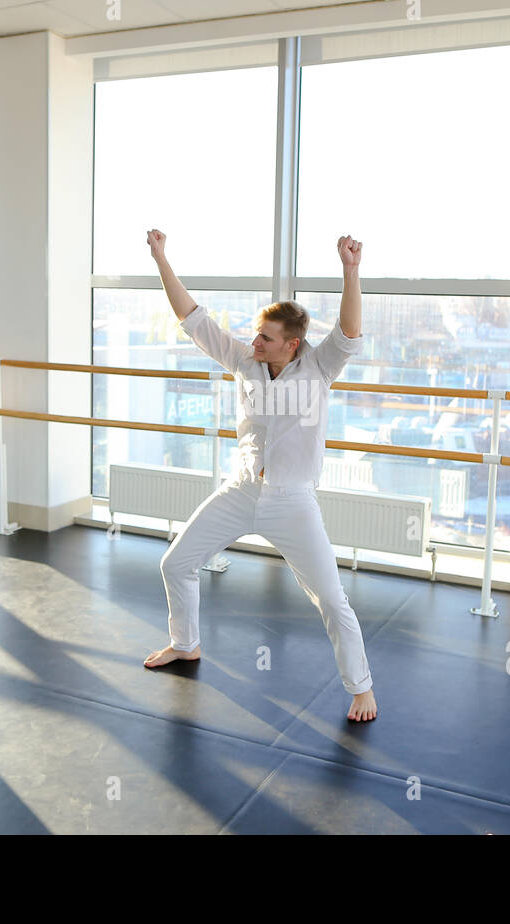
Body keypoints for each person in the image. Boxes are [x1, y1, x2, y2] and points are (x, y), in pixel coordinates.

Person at [141, 228, 377, 723]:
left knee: (331, 599)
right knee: (175, 563)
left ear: (291, 345)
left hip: (292, 501)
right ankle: (185, 644)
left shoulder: (318, 368)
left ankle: (361, 688)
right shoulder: (245, 362)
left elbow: (349, 332)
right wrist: (162, 256)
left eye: (265, 338)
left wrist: (350, 270)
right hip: (242, 490)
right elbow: (192, 317)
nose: (255, 342)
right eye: (256, 334)